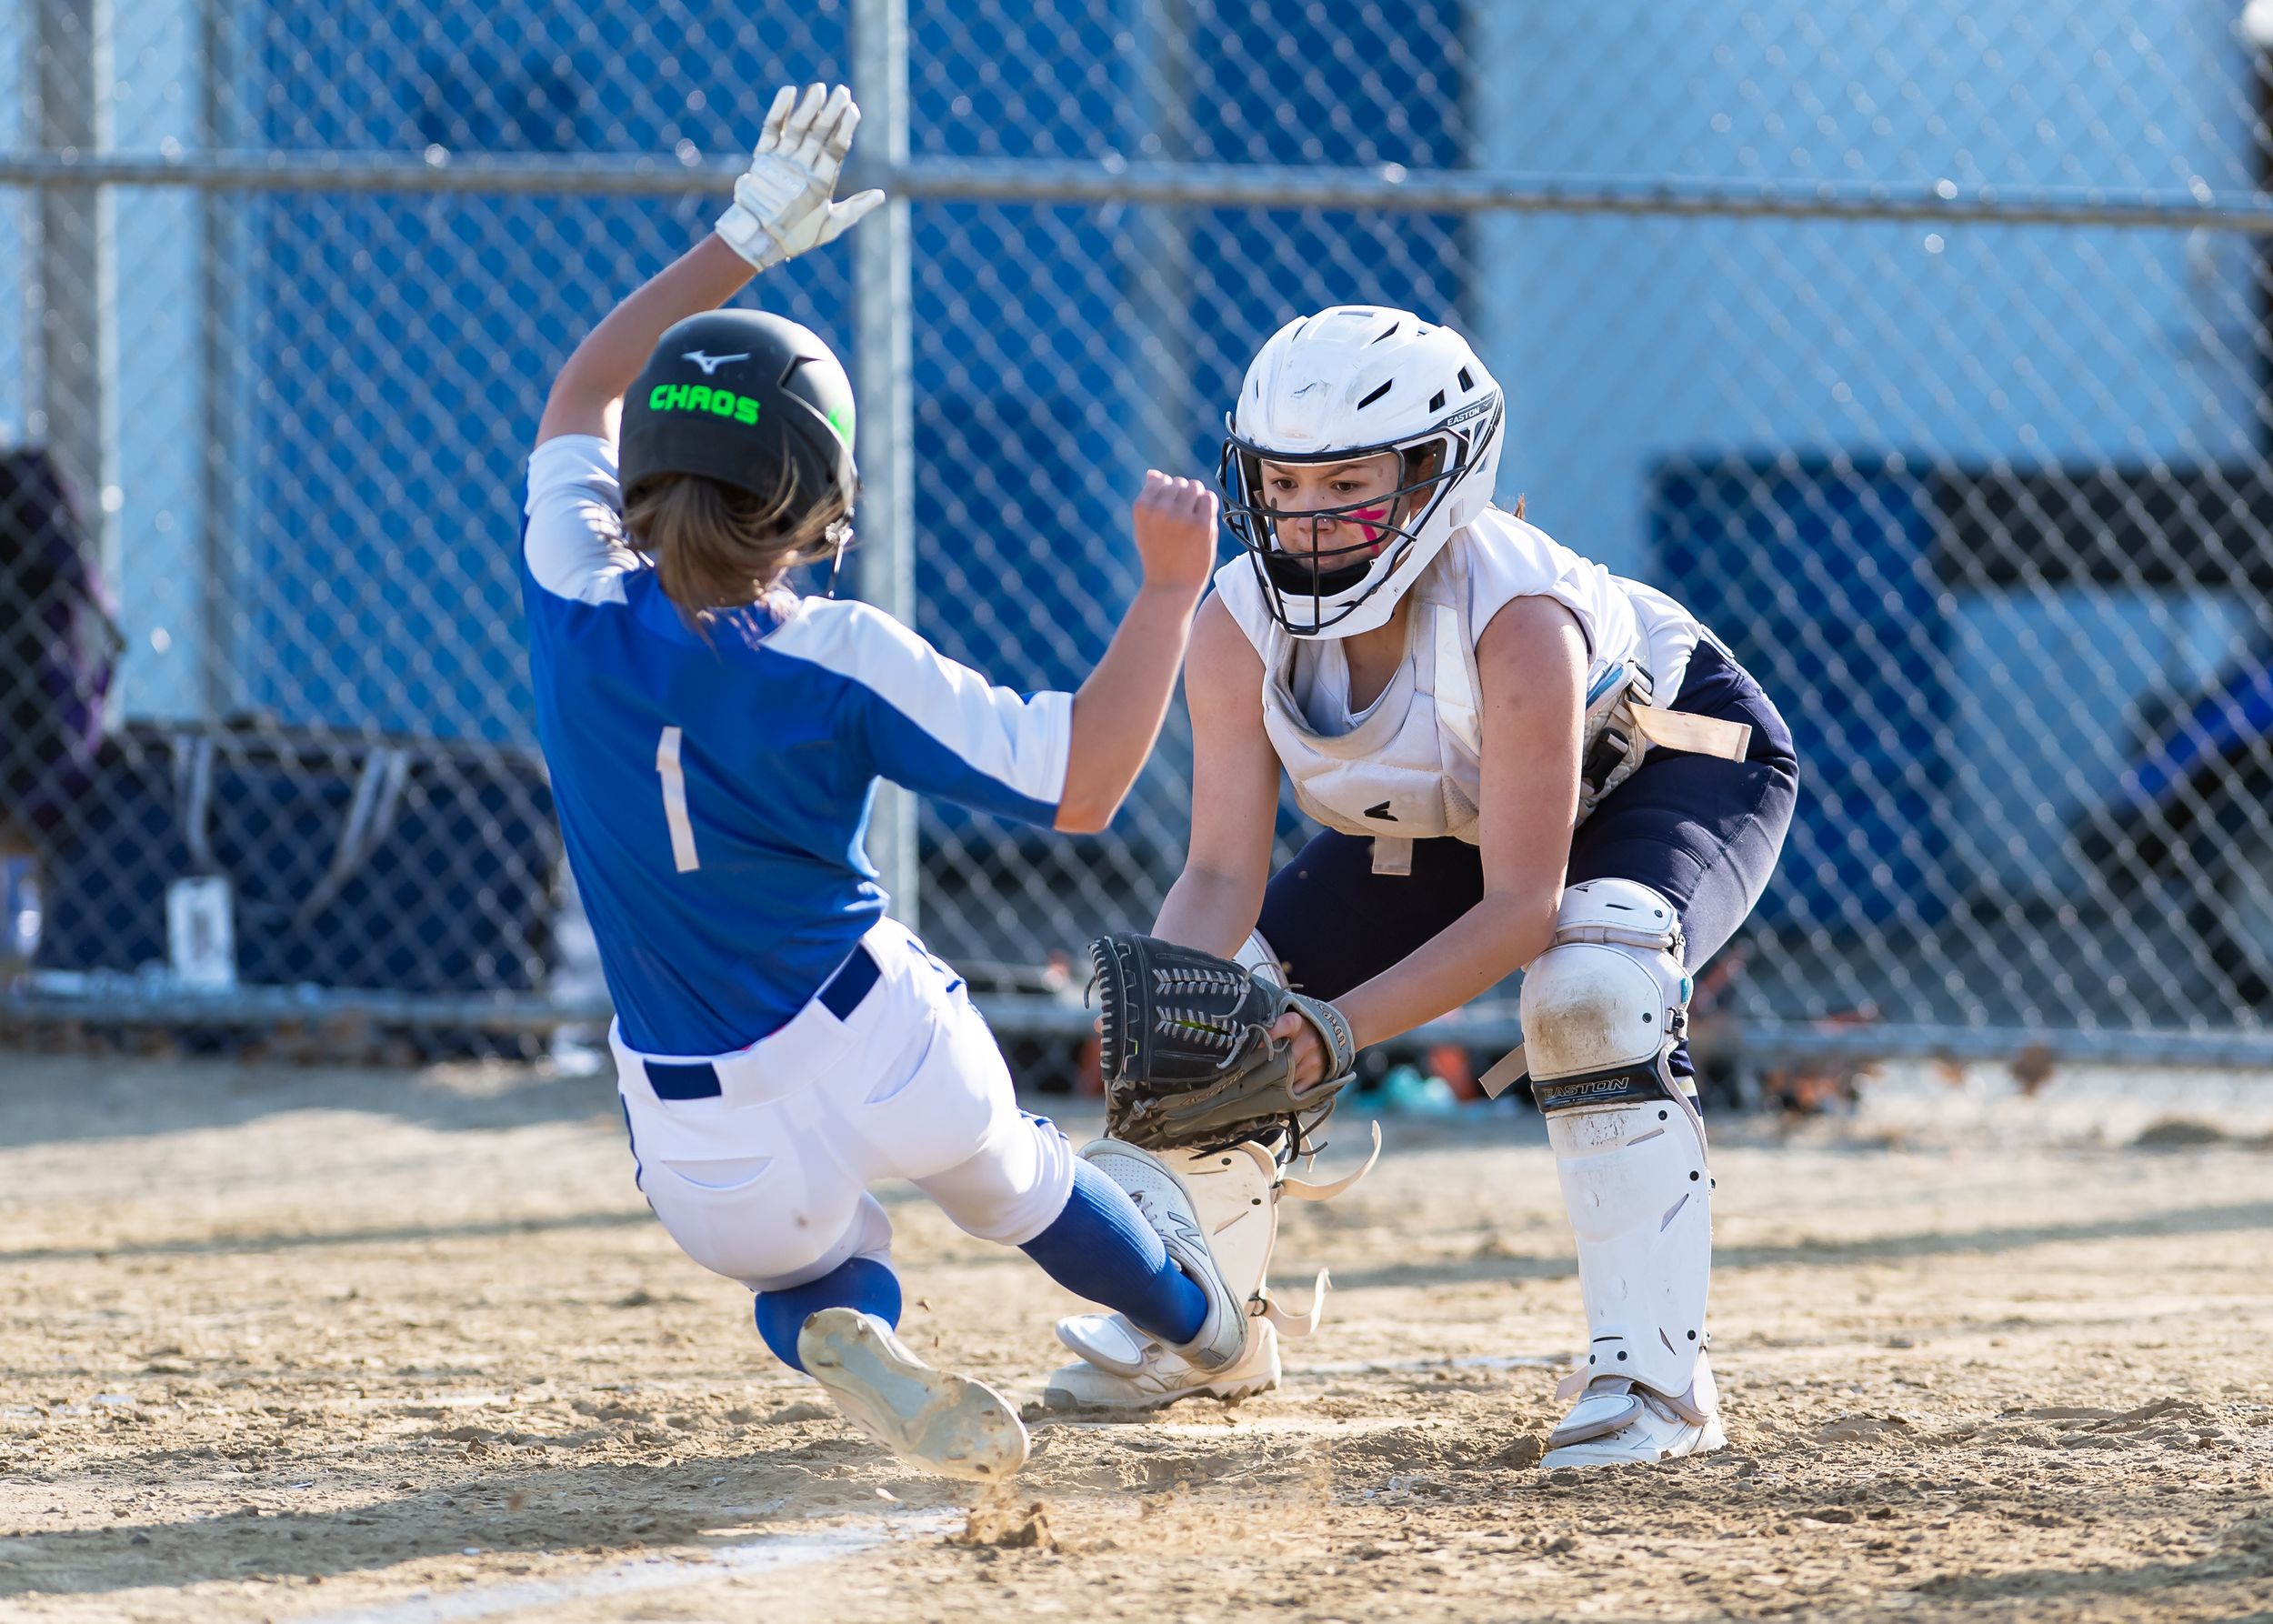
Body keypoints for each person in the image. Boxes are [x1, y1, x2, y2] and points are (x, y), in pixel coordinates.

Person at [520, 83, 1252, 1481]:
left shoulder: (570, 594)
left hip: (691, 1110)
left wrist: (739, 239)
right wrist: (1166, 594)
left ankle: (846, 1329)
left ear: (646, 476)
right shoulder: (835, 653)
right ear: (813, 505)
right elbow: (1090, 781)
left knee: (818, 1259)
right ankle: (1204, 1325)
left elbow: (580, 391)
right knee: (1021, 1183)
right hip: (876, 1033)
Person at [1047, 305, 1799, 1468]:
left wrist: (1332, 1031)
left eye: (1349, 479)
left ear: (1443, 473)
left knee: (1591, 982)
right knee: (1221, 997)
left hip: (1667, 762)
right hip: (1457, 803)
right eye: (1284, 484)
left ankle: (1655, 1375)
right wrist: (1165, 1032)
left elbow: (1520, 909)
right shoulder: (1235, 622)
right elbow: (1216, 872)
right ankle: (1198, 1321)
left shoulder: (1516, 621)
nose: (1308, 515)